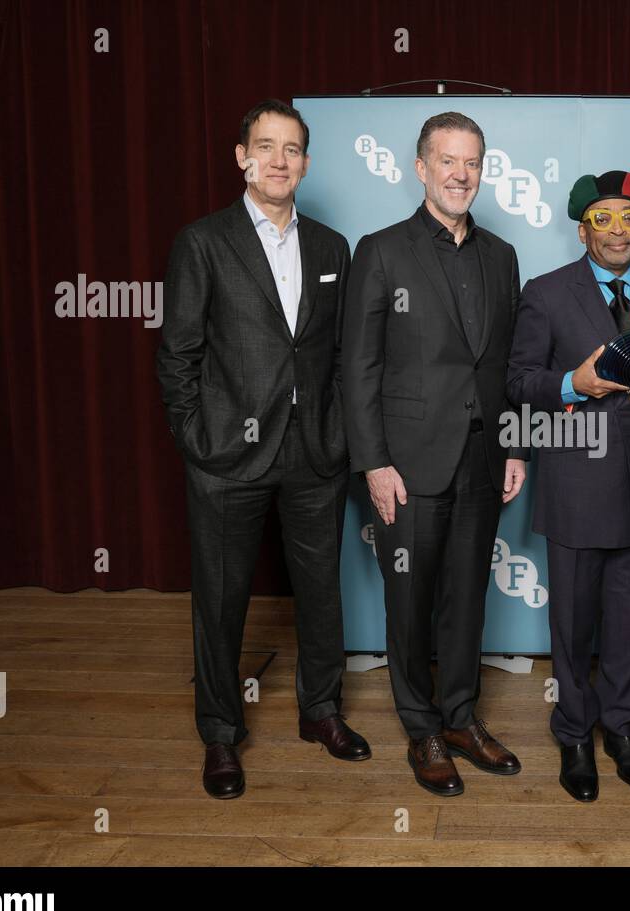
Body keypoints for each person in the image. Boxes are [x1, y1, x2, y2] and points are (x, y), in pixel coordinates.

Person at [156, 98, 367, 800]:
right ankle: (220, 734)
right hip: (228, 457)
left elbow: (342, 356)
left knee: (321, 592)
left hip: (313, 454)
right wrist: (196, 437)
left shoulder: (334, 248)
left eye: (293, 148)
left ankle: (321, 711)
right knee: (220, 600)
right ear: (242, 157)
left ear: (306, 162)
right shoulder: (202, 242)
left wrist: (338, 435)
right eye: (266, 146)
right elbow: (177, 354)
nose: (280, 160)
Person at [343, 112, 526, 797]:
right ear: (421, 168)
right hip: (407, 464)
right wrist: (374, 462)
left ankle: (459, 718)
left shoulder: (501, 256)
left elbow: (505, 366)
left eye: (472, 162)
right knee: (410, 599)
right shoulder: (381, 251)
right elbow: (357, 369)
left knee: (466, 599)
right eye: (447, 160)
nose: (460, 173)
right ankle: (420, 727)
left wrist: (515, 447)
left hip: (483, 461)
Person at [508, 170, 630, 802]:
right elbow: (520, 380)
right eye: (604, 219)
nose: (618, 231)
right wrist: (572, 386)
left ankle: (621, 729)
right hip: (575, 482)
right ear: (583, 229)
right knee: (575, 620)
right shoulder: (547, 292)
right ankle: (574, 735)